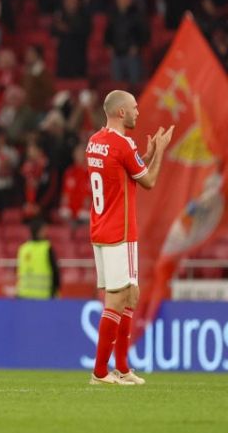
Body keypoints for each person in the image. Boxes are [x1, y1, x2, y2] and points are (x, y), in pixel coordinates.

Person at [85, 91, 172, 386]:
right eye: (134, 108)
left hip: (102, 228)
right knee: (117, 298)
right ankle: (100, 372)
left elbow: (121, 171)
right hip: (118, 232)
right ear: (121, 112)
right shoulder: (122, 144)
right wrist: (159, 150)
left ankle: (122, 367)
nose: (137, 112)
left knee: (131, 294)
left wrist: (141, 158)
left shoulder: (96, 140)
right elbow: (148, 181)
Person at [16, 220, 60, 299]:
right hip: (43, 297)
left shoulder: (23, 249)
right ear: (40, 231)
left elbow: (18, 272)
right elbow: (55, 271)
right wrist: (55, 290)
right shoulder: (46, 248)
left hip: (23, 296)